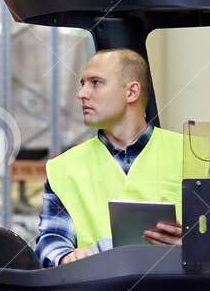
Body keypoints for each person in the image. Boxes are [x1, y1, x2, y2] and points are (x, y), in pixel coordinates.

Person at [35, 47, 187, 267]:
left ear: (131, 92)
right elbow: (52, 238)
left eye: (96, 83)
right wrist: (64, 256)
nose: (82, 94)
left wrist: (192, 245)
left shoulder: (194, 154)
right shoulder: (63, 168)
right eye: (82, 83)